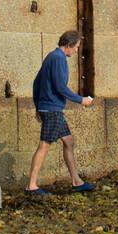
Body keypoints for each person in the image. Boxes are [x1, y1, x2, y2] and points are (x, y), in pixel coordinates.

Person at [26, 29, 95, 195]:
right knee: (44, 145)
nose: (77, 50)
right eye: (76, 47)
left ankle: (77, 181)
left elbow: (36, 83)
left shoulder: (51, 56)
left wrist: (37, 106)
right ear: (69, 45)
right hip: (52, 109)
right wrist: (81, 100)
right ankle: (31, 186)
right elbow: (60, 87)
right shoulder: (59, 59)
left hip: (48, 108)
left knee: (69, 141)